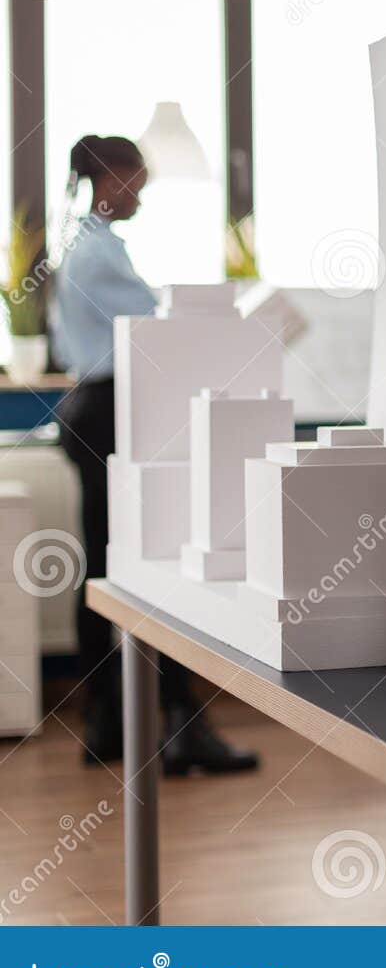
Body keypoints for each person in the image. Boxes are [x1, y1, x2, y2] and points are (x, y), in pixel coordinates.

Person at [49, 134, 259, 775]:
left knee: (110, 568)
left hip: (101, 414)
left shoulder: (88, 246)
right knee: (145, 570)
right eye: (136, 180)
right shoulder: (98, 256)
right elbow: (155, 330)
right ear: (110, 178)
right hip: (115, 416)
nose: (140, 193)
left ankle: (114, 724)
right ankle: (177, 726)